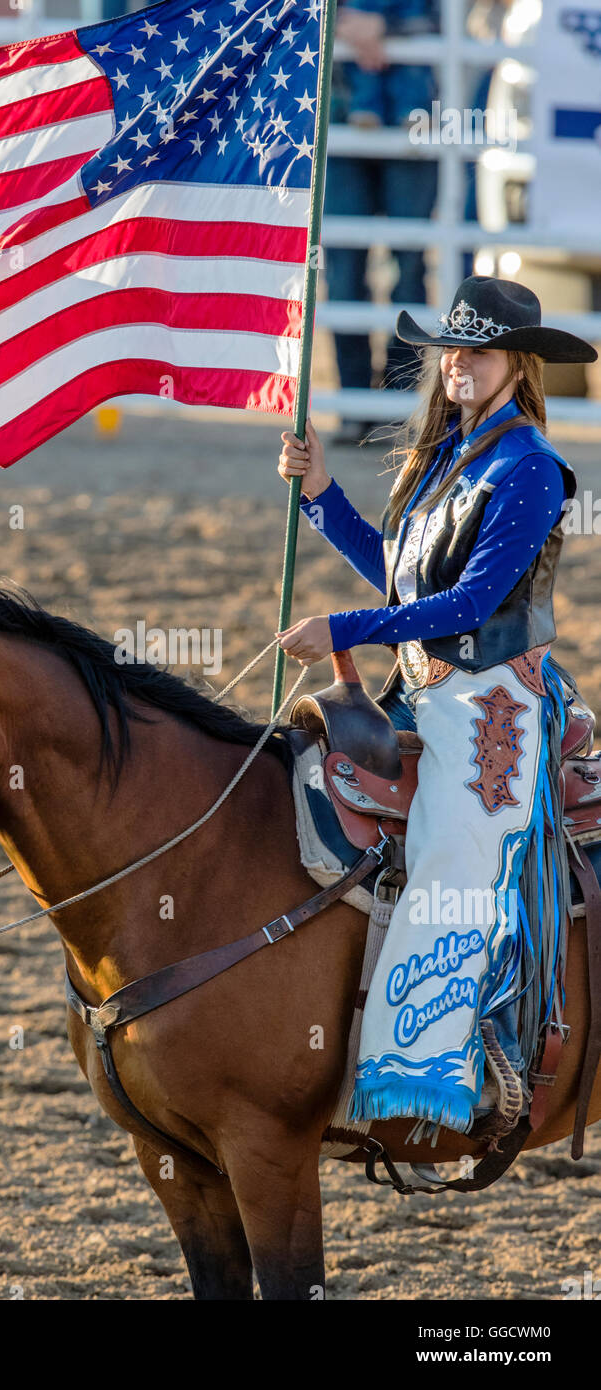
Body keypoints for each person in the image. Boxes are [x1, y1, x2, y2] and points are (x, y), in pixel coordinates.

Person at [276, 275, 597, 1138]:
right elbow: (405, 571)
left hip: (493, 707)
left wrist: (343, 625)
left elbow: (472, 605)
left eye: (478, 350)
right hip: (423, 690)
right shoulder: (451, 455)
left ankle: (441, 1066)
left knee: (457, 853)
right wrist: (320, 497)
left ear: (516, 363)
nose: (458, 363)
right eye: (452, 347)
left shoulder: (530, 468)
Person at [326, 0, 440, 445]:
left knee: (408, 263)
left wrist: (380, 26)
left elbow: (448, 17)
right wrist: (343, 23)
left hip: (413, 120)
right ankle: (355, 405)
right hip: (338, 114)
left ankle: (400, 404)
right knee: (344, 266)